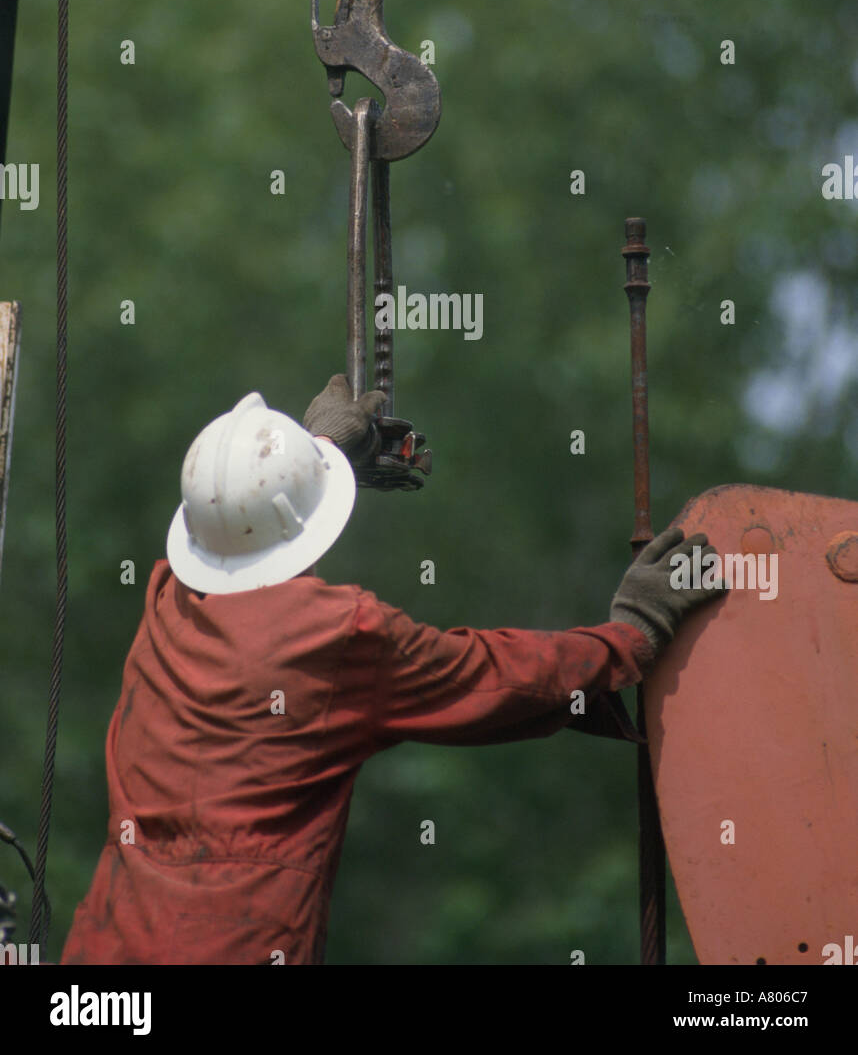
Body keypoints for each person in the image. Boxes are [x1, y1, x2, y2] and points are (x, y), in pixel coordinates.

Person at [61, 377, 722, 965]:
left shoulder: (164, 603)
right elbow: (490, 679)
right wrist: (631, 635)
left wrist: (318, 451)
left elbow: (235, 526)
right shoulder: (337, 636)